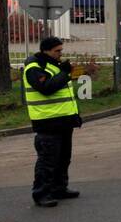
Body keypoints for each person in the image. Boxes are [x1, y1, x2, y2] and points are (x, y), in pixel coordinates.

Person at [23, 36, 82, 208]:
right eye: (57, 51)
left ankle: (59, 188)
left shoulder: (54, 65)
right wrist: (65, 73)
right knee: (47, 161)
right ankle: (41, 193)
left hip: (63, 120)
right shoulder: (34, 67)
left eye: (61, 50)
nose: (60, 54)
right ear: (46, 51)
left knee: (63, 158)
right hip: (47, 121)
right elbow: (46, 88)